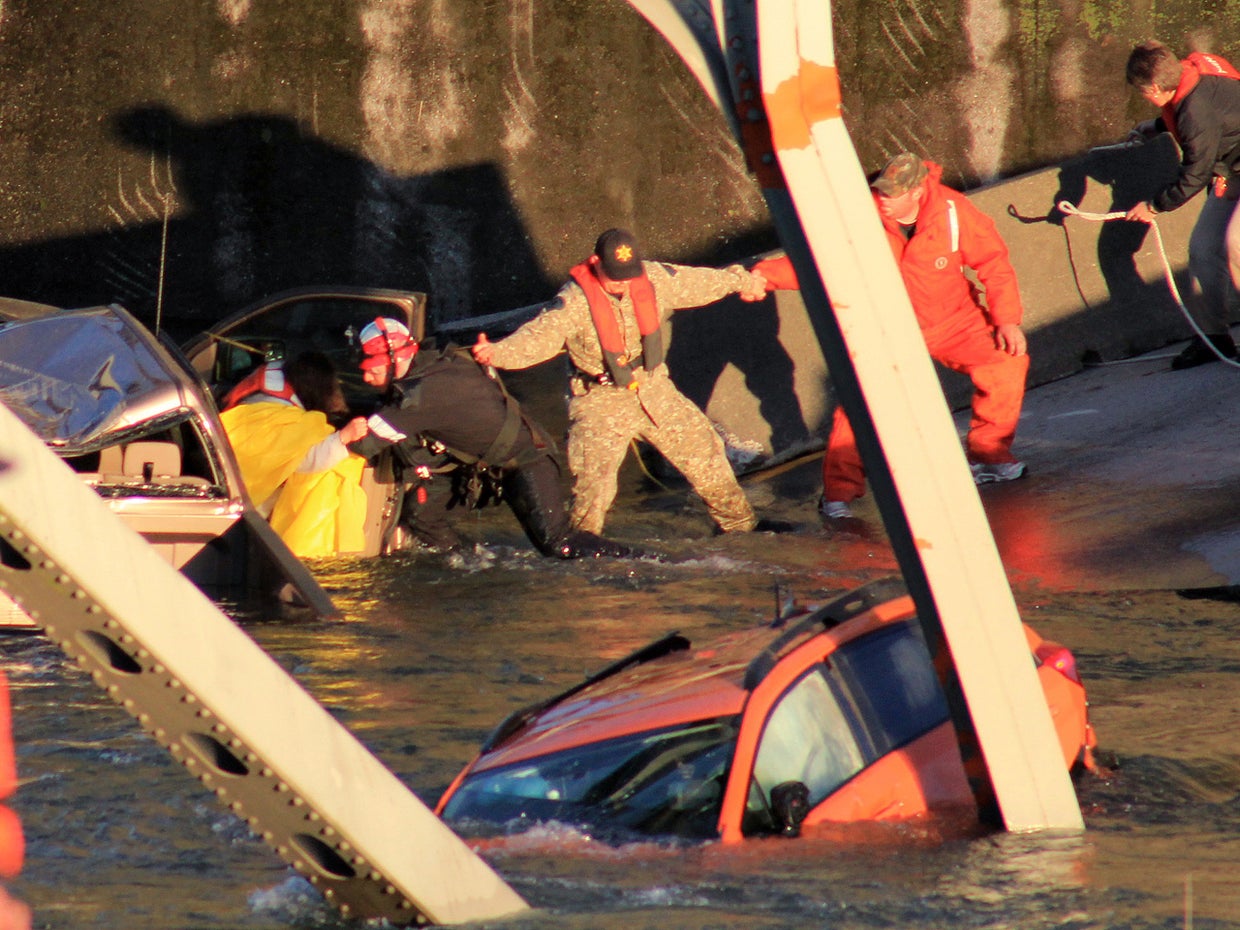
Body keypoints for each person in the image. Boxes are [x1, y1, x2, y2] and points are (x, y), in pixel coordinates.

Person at [751, 153, 1030, 519]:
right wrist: (763, 275)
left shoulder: (952, 209)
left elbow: (993, 262)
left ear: (916, 192)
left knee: (1007, 363)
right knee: (861, 409)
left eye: (892, 194)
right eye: (880, 191)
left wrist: (1006, 319)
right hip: (886, 332)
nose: (883, 199)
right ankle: (838, 495)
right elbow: (818, 261)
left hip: (955, 322)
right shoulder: (859, 217)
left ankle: (989, 452)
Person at [471, 228, 769, 536]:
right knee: (593, 488)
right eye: (615, 276)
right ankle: (580, 549)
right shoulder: (573, 302)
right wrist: (497, 353)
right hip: (600, 400)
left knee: (705, 454)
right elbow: (540, 336)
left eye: (628, 274)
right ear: (597, 262)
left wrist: (743, 281)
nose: (623, 283)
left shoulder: (652, 278)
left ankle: (740, 528)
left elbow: (696, 282)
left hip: (653, 388)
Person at [348, 317, 633, 559]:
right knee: (422, 516)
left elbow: (363, 444)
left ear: (394, 360)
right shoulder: (437, 361)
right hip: (483, 465)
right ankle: (471, 562)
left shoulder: (418, 397)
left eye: (370, 369)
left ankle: (645, 561)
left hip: (526, 459)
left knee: (559, 543)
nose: (365, 378)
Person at [1124, 40, 1240, 369]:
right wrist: (1158, 126)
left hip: (1230, 169)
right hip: (1233, 169)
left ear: (1156, 87)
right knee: (1203, 249)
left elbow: (1194, 174)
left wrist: (1154, 205)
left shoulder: (1195, 111)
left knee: (1236, 242)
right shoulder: (1188, 81)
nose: (1143, 98)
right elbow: (1213, 121)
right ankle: (1214, 338)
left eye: (1142, 92)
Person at [220, 351, 370, 558]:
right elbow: (304, 461)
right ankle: (307, 557)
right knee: (330, 474)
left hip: (229, 494)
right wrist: (343, 437)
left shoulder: (252, 406)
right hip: (248, 510)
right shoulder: (291, 421)